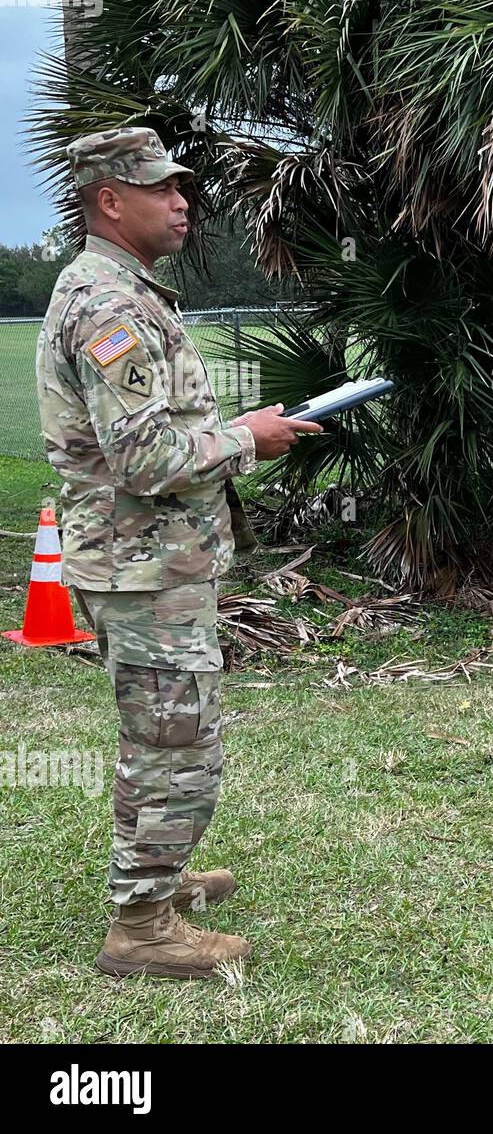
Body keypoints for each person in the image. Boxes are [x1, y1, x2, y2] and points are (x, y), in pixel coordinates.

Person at [35, 126, 321, 977]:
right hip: (141, 567)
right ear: (109, 201)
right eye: (160, 187)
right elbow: (147, 458)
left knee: (172, 738)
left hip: (155, 564)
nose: (181, 199)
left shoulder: (124, 290)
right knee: (172, 746)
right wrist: (249, 436)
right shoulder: (109, 307)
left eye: (180, 185)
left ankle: (159, 878)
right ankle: (142, 927)